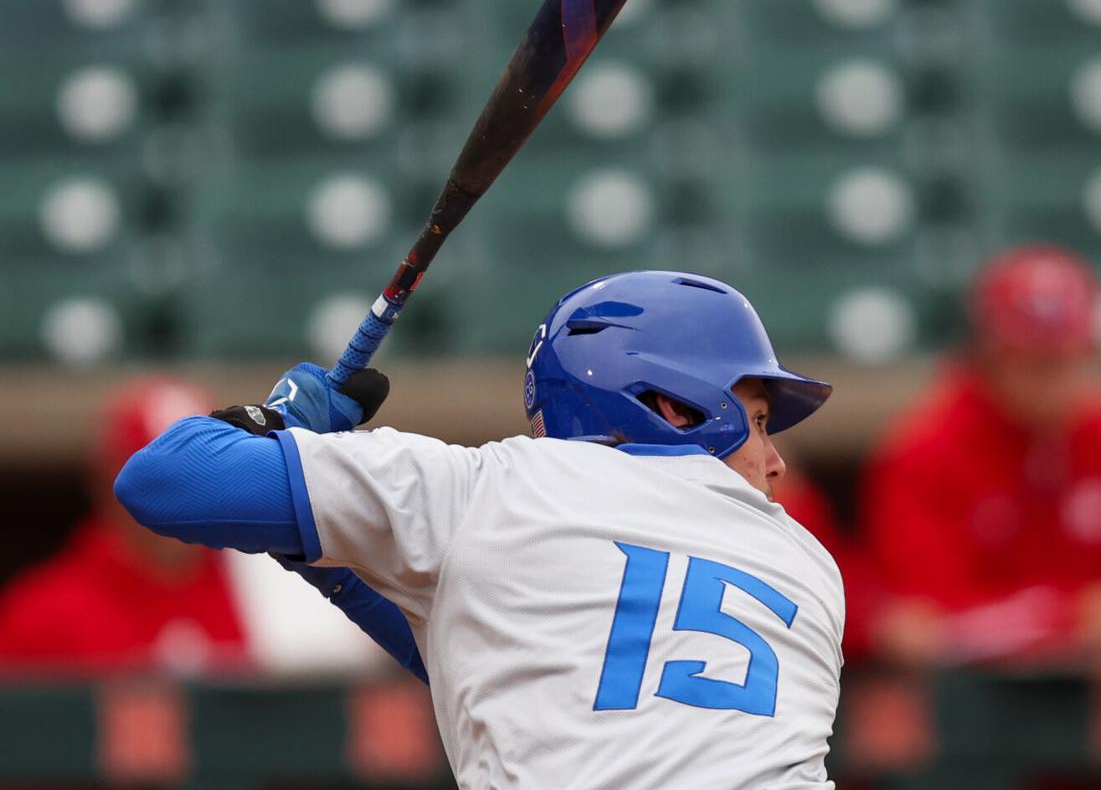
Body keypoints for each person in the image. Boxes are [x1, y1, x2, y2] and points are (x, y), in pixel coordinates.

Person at [115, 270, 844, 789]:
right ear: (672, 405)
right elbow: (513, 662)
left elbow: (162, 479)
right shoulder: (809, 563)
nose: (776, 459)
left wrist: (275, 422)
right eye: (754, 419)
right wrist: (330, 557)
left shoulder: (493, 490)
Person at [860, 245, 1101, 665]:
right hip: (973, 706)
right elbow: (923, 628)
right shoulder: (925, 451)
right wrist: (1076, 620)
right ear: (990, 356)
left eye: (1063, 357)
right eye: (1030, 359)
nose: (1050, 377)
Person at [0, 377, 249, 672]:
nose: (185, 495)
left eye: (203, 475)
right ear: (105, 481)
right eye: (160, 478)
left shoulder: (265, 598)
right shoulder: (40, 615)